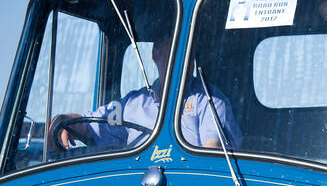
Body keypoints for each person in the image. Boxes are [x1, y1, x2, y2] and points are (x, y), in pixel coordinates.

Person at [51, 31, 243, 152]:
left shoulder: (209, 100)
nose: (184, 62)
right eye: (176, 53)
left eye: (189, 54)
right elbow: (90, 125)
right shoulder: (132, 105)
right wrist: (62, 122)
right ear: (155, 54)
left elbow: (212, 152)